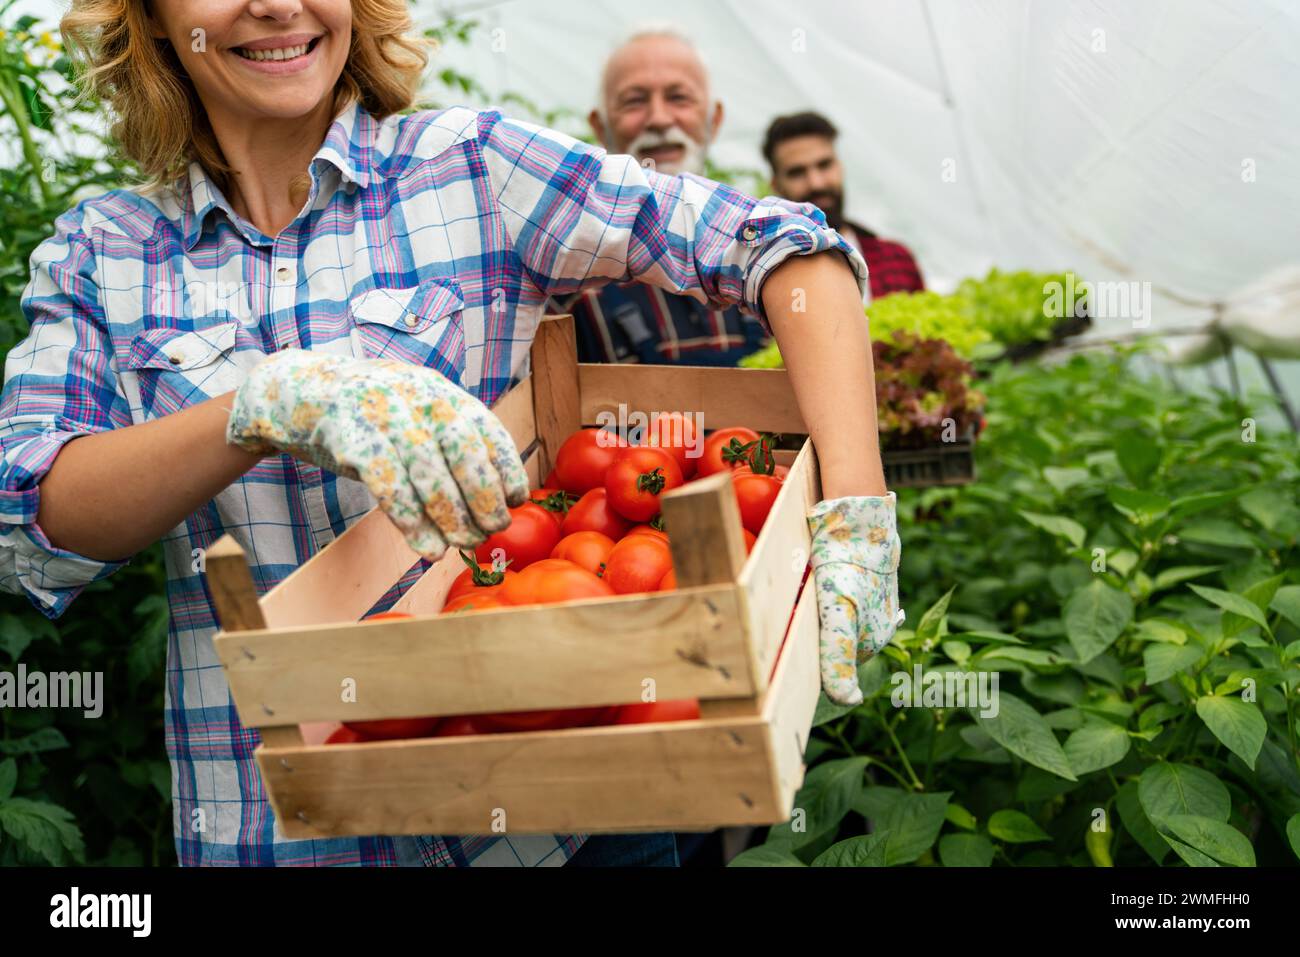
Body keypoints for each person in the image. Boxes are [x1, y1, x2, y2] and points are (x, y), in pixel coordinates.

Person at [0, 0, 902, 867]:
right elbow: (34, 522)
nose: (278, 6)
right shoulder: (104, 252)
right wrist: (260, 405)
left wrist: (856, 504)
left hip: (556, 824)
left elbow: (787, 250)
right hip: (273, 830)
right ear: (151, 13)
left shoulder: (472, 168)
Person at [563, 26, 768, 366]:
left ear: (713, 120)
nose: (658, 118)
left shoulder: (761, 247)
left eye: (678, 97)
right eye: (634, 101)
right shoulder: (570, 271)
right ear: (601, 127)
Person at [763, 111, 926, 301]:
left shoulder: (896, 259)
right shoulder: (765, 273)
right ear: (776, 186)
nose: (816, 183)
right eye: (797, 173)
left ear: (840, 166)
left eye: (824, 165)